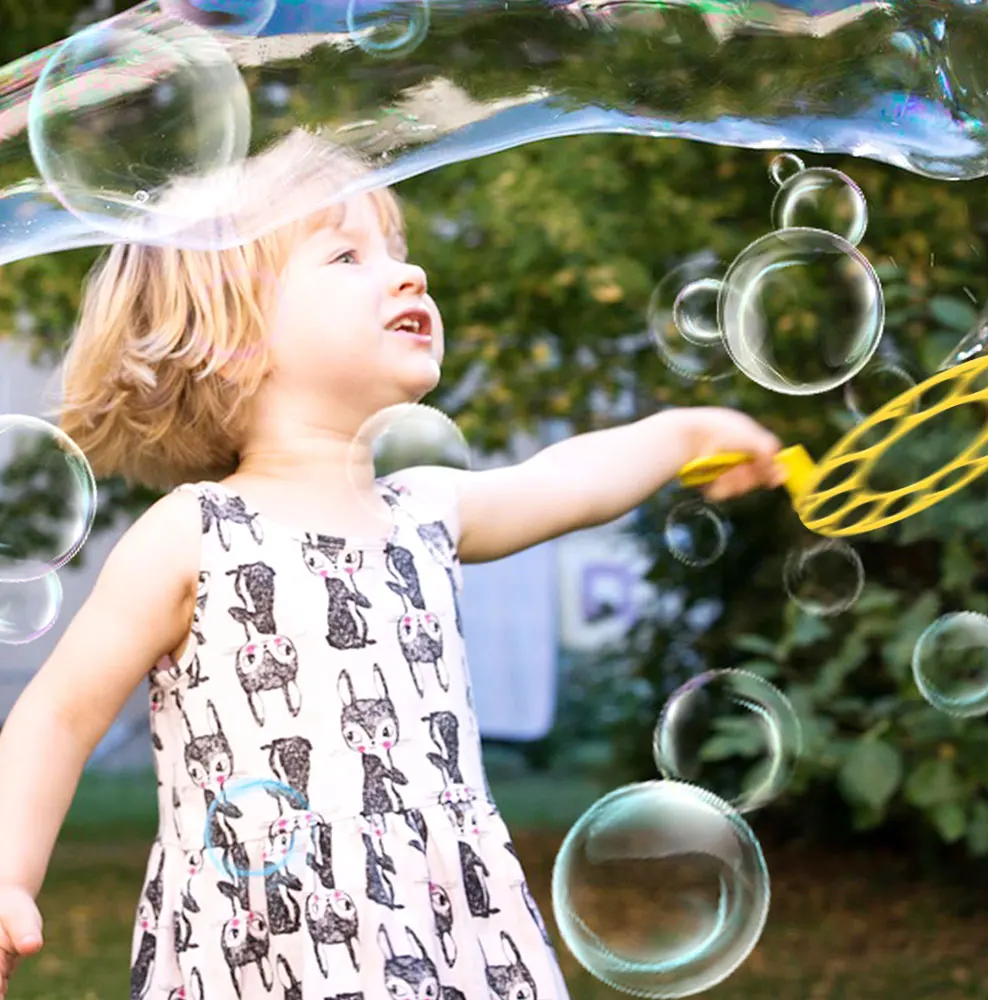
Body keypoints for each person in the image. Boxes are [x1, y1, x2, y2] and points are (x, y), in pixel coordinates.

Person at [0, 128, 785, 1000]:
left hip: (453, 928)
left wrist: (682, 434)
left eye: (400, 254)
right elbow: (60, 715)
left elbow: (566, 481)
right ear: (233, 337)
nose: (408, 276)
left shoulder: (427, 510)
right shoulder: (194, 532)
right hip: (271, 945)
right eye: (347, 256)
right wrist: (7, 875)